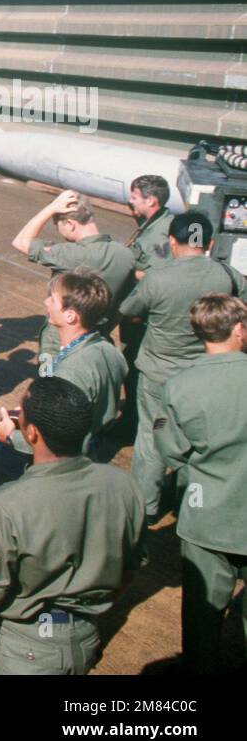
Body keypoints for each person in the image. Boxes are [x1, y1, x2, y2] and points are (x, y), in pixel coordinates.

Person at [0, 377, 146, 675]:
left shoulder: (6, 505)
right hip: (85, 640)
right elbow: (131, 568)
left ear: (31, 433)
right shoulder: (125, 486)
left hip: (23, 652)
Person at [117, 211, 245, 521]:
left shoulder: (158, 278)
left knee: (151, 437)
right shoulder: (227, 276)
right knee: (202, 438)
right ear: (210, 243)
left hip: (158, 376)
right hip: (206, 375)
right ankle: (192, 500)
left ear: (172, 241)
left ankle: (145, 509)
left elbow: (128, 309)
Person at [152, 294, 247, 674]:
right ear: (239, 329)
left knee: (202, 618)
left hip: (207, 516)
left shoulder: (181, 386)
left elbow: (171, 450)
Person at [0, 268, 127, 460]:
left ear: (70, 316)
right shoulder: (109, 350)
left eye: (53, 300)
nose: (45, 302)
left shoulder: (68, 375)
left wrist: (10, 437)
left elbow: (54, 443)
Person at [12, 189, 135, 358]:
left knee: (48, 379)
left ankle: (46, 380)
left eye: (59, 226)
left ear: (70, 224)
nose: (59, 232)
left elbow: (20, 241)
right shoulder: (125, 255)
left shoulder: (70, 254)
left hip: (58, 343)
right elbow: (123, 307)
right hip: (97, 339)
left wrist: (52, 208)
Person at [116, 174, 176, 439]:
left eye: (135, 198)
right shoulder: (156, 222)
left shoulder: (158, 236)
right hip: (143, 315)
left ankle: (132, 424)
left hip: (146, 318)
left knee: (135, 369)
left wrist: (130, 270)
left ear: (150, 200)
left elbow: (158, 277)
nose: (130, 202)